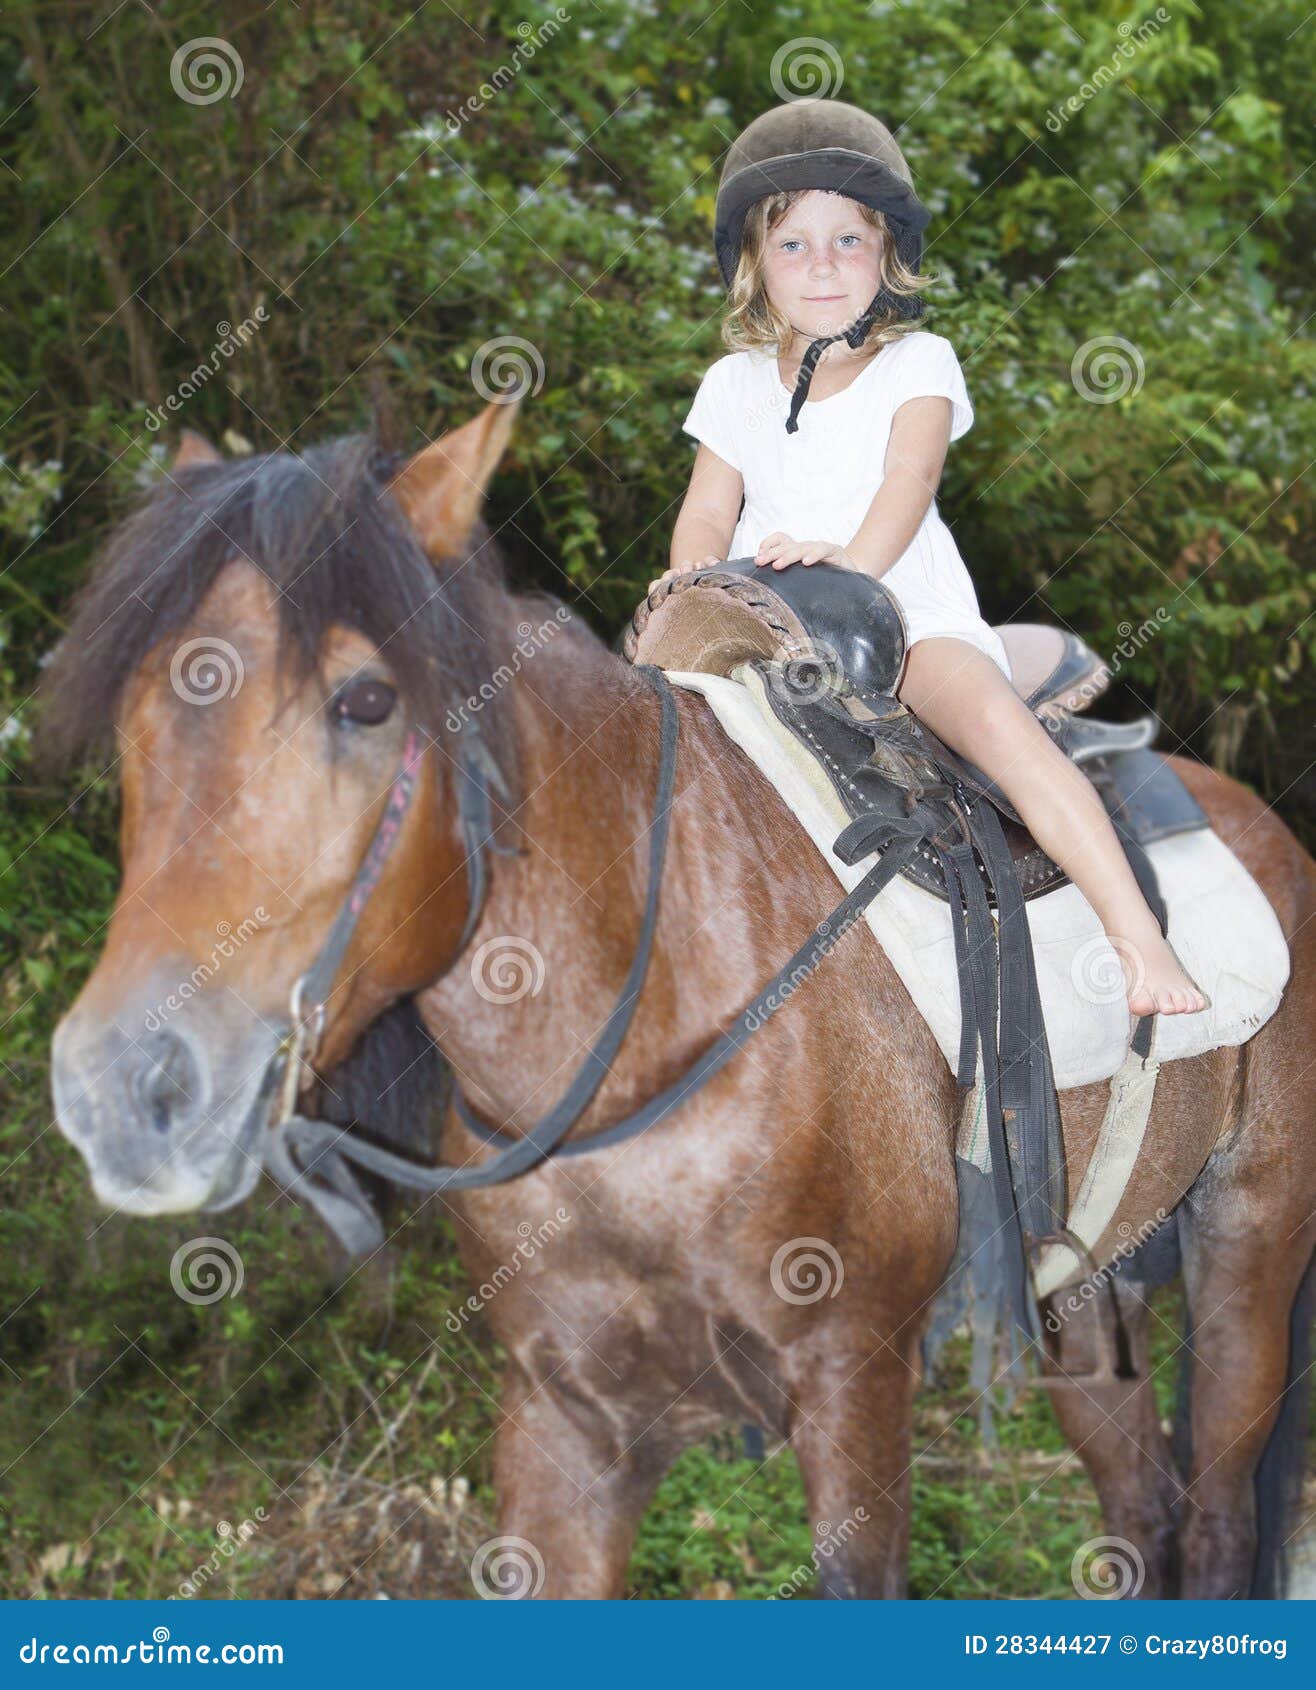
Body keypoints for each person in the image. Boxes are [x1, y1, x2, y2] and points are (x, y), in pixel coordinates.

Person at [654, 96, 1208, 1019]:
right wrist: (687, 589)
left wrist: (849, 571)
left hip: (905, 619)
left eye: (848, 240)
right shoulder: (733, 384)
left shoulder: (920, 364)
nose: (822, 264)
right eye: (793, 244)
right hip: (767, 630)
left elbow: (907, 483)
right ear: (755, 265)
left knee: (1001, 733)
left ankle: (1135, 935)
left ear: (888, 255)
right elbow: (708, 509)